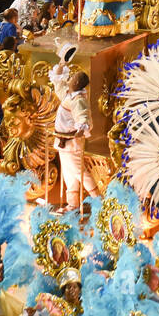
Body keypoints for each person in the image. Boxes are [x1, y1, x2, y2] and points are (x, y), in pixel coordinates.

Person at [50, 65, 96, 211]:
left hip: (72, 143)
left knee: (79, 171)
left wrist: (81, 129)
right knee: (69, 173)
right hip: (64, 142)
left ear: (77, 84)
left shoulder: (78, 99)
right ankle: (73, 203)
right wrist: (61, 64)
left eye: (73, 78)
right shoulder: (70, 94)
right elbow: (58, 84)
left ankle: (98, 200)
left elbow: (82, 116)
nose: (70, 79)